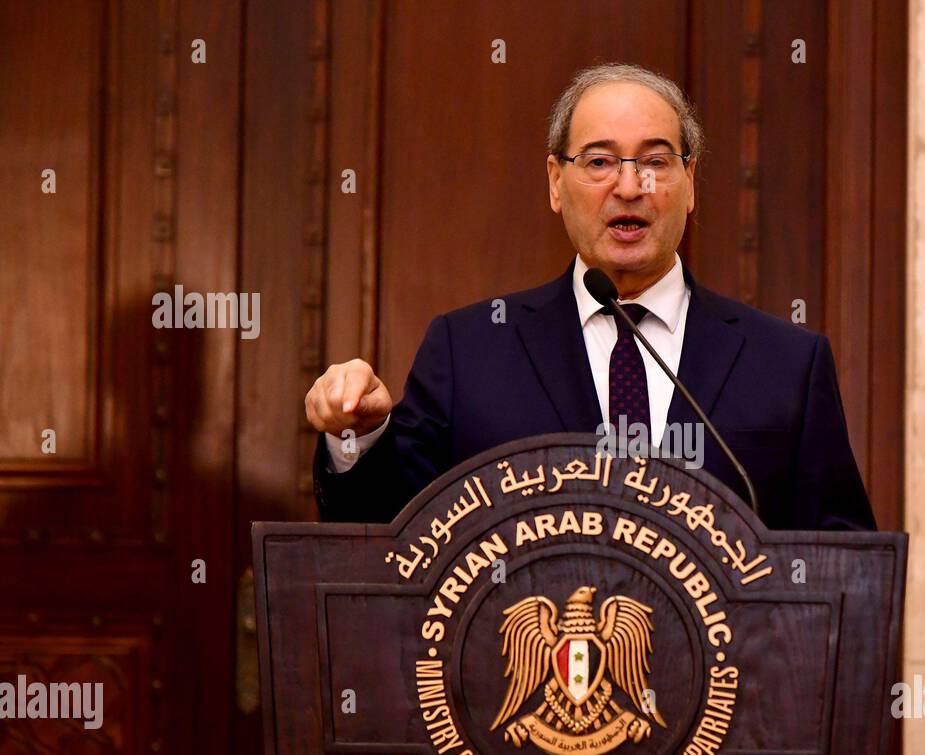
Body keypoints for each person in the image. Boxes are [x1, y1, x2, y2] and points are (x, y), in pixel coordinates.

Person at [304, 63, 875, 532]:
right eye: (599, 162)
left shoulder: (787, 363)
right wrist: (356, 435)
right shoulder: (468, 350)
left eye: (655, 162)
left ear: (691, 181)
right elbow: (386, 541)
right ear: (556, 182)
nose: (630, 187)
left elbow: (843, 568)